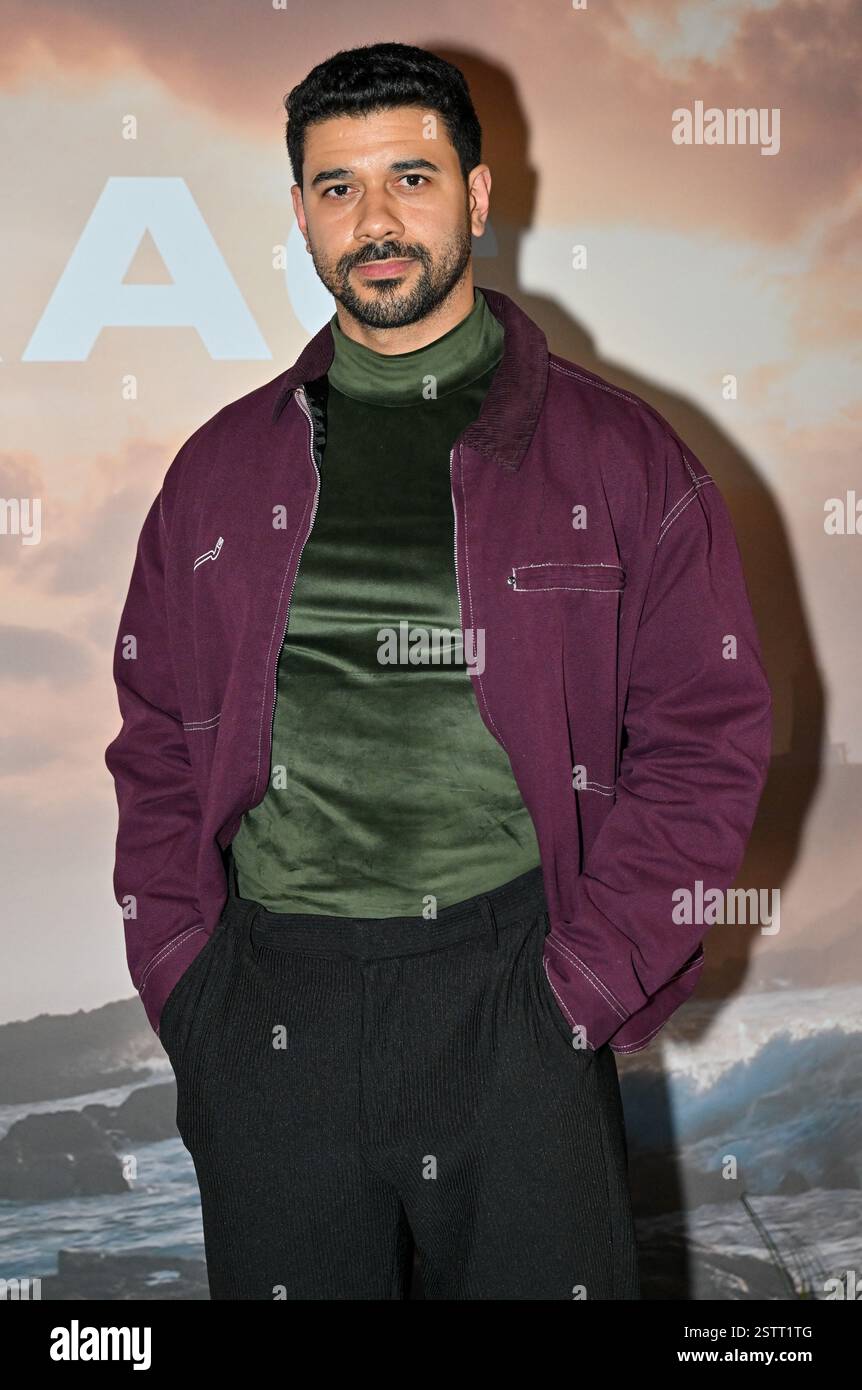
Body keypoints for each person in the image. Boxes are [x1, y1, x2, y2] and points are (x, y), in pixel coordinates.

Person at [104, 42, 772, 1300]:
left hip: (514, 989)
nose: (376, 220)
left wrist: (580, 985)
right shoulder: (215, 472)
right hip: (268, 1010)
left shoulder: (621, 457)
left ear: (474, 194)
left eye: (409, 177)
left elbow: (707, 737)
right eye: (338, 188)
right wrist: (189, 983)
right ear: (300, 213)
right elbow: (152, 738)